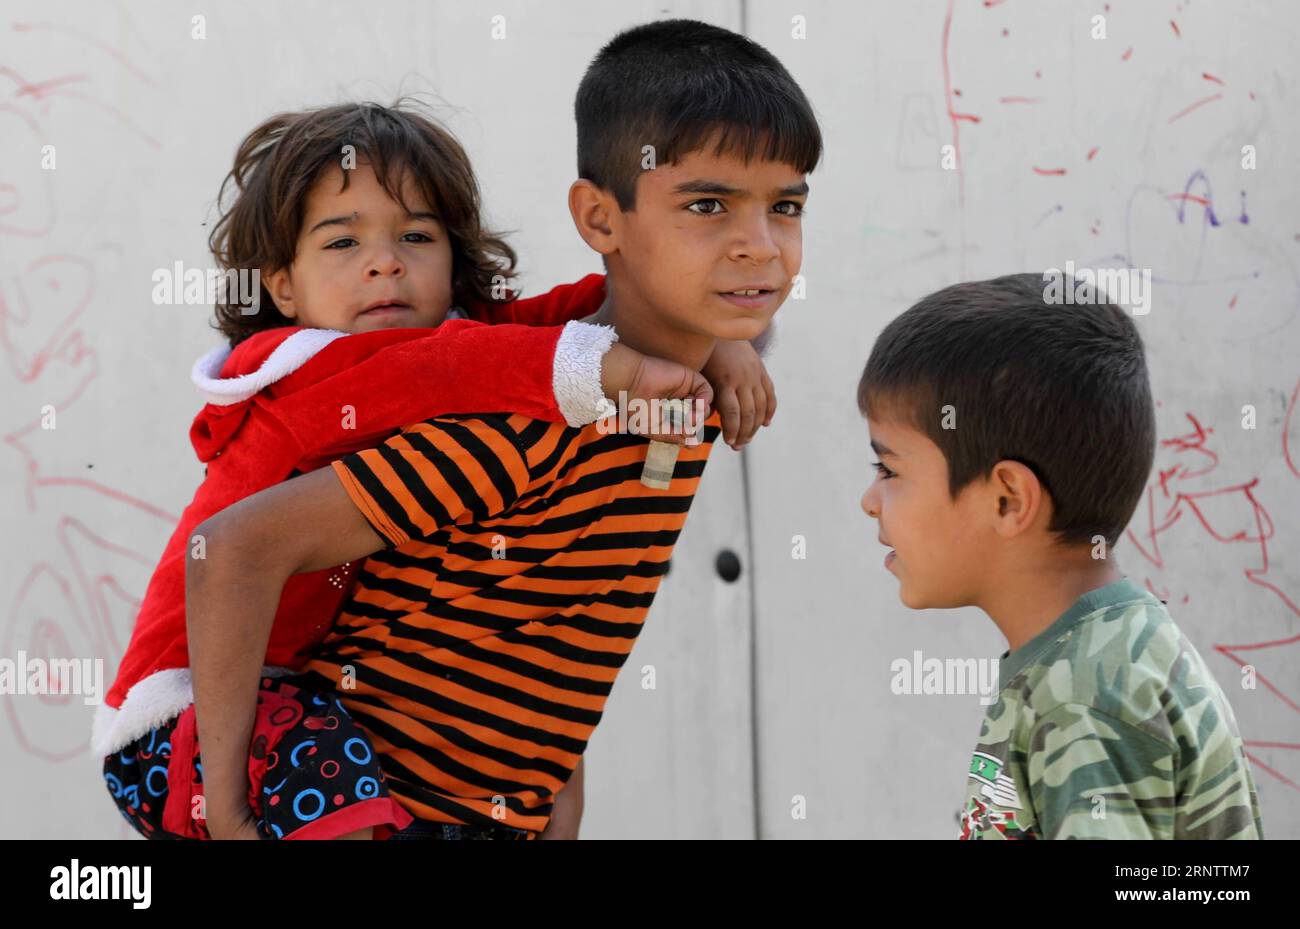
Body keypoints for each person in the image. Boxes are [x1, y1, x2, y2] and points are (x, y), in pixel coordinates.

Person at [184, 18, 821, 840]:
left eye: (787, 206)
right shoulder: (525, 412)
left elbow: (563, 599)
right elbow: (231, 548)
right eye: (707, 204)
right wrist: (228, 807)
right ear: (600, 218)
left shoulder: (684, 401)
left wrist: (558, 793)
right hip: (376, 807)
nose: (759, 246)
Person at [857, 272, 1265, 839]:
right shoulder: (1104, 657)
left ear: (1007, 500)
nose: (869, 501)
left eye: (889, 470)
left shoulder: (1084, 698)